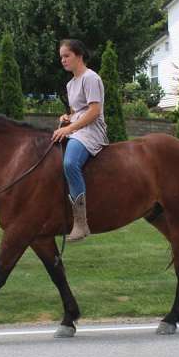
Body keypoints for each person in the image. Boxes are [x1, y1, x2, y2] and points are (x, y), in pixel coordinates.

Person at [51, 39, 109, 242]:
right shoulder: (71, 83)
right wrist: (66, 117)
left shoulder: (91, 78)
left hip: (91, 130)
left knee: (70, 162)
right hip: (77, 127)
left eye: (66, 56)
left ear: (79, 55)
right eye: (61, 57)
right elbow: (77, 110)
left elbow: (94, 111)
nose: (63, 60)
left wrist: (69, 128)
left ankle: (81, 224)